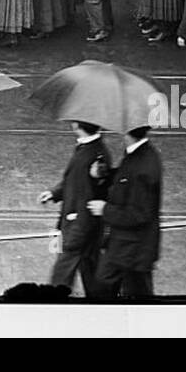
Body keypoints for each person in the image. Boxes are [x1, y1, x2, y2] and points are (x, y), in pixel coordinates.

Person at [39, 120, 113, 298]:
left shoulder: (91, 156)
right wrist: (54, 193)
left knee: (62, 274)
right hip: (86, 226)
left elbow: (87, 193)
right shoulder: (92, 150)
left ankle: (54, 305)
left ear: (76, 125)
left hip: (78, 225)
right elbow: (74, 183)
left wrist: (76, 230)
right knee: (91, 270)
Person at [89, 125, 163, 299]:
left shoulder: (144, 166)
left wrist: (104, 209)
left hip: (132, 251)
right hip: (127, 248)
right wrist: (106, 175)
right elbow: (126, 181)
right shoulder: (138, 155)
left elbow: (140, 214)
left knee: (108, 289)